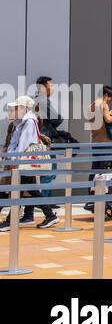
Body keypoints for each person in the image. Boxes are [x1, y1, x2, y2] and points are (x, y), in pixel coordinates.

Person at [1, 96, 58, 229]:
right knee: (28, 189)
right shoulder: (20, 122)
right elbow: (14, 142)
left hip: (25, 160)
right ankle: (50, 215)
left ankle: (11, 221)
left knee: (20, 188)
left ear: (24, 108)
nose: (14, 110)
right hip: (23, 161)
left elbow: (23, 144)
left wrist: (13, 158)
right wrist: (10, 155)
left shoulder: (29, 122)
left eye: (16, 107)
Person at [87, 85, 112, 173]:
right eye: (110, 99)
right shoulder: (103, 104)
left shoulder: (90, 106)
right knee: (106, 168)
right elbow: (108, 120)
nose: (110, 102)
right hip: (105, 141)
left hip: (95, 141)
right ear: (106, 95)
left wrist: (110, 114)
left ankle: (92, 182)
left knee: (95, 168)